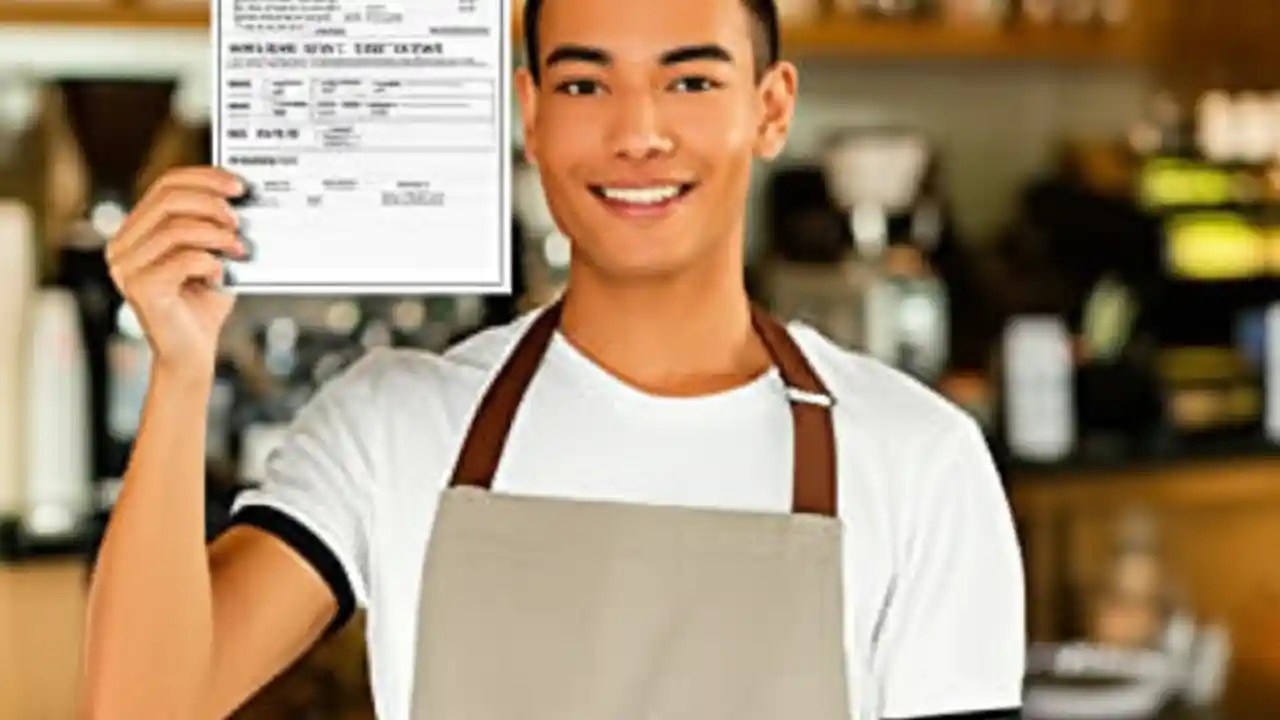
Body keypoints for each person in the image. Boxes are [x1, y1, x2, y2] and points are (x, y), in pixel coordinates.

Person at [83, 0, 1026, 717]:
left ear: (771, 108)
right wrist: (181, 367)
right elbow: (142, 707)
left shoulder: (918, 458)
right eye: (584, 85)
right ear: (529, 114)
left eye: (691, 82)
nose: (638, 134)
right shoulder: (395, 425)